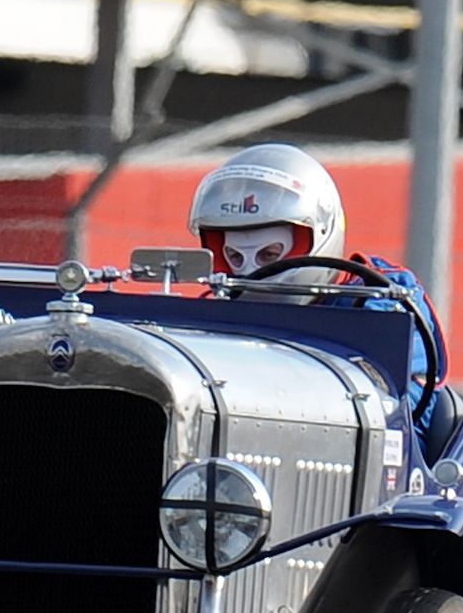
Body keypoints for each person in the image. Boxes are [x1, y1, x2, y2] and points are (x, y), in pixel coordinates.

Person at [187, 141, 447, 418]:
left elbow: (402, 419)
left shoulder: (382, 304)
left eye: (269, 254)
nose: (250, 270)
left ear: (319, 234)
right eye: (235, 258)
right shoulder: (215, 316)